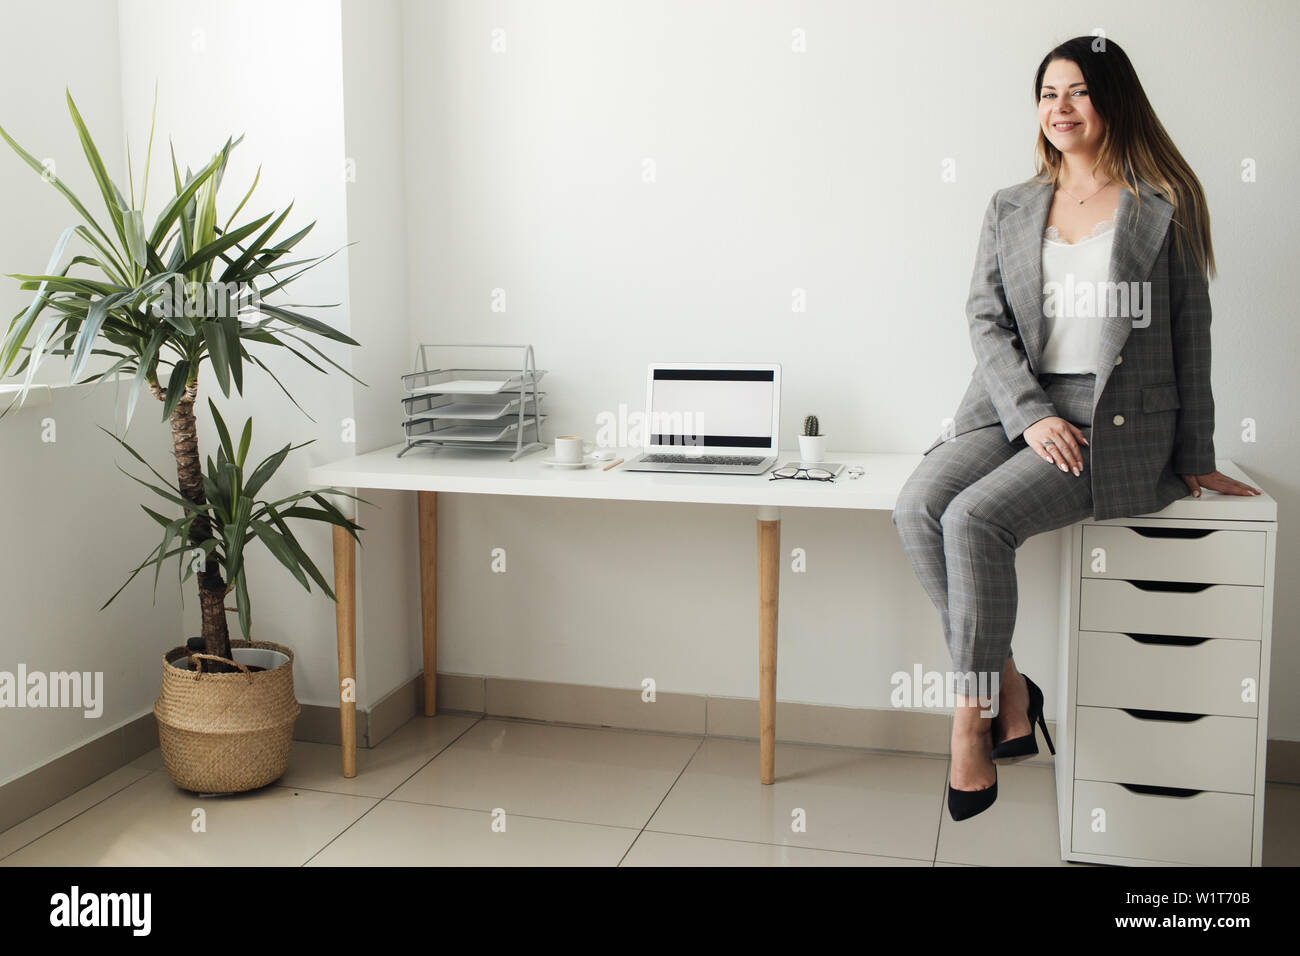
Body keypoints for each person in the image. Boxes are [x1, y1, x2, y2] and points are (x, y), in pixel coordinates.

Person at [890, 35, 1260, 822]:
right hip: (1014, 404)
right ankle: (1013, 682)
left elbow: (1192, 333)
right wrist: (1031, 416)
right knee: (919, 505)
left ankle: (971, 720)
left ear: (1112, 100)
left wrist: (1195, 455)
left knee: (975, 519)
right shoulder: (1012, 205)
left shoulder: (1163, 204)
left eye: (1079, 92)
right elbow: (986, 321)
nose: (1060, 108)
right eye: (1048, 93)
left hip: (1112, 416)